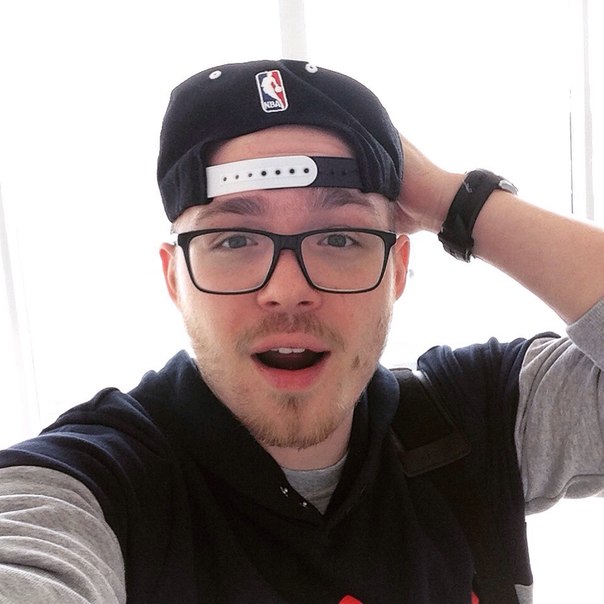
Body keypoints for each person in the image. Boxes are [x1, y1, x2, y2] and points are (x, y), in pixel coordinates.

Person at [0, 59, 603, 604]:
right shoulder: (95, 488)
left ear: (396, 269)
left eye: (339, 237)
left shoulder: (480, 419)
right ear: (174, 277)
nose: (287, 290)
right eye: (234, 239)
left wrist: (456, 202)